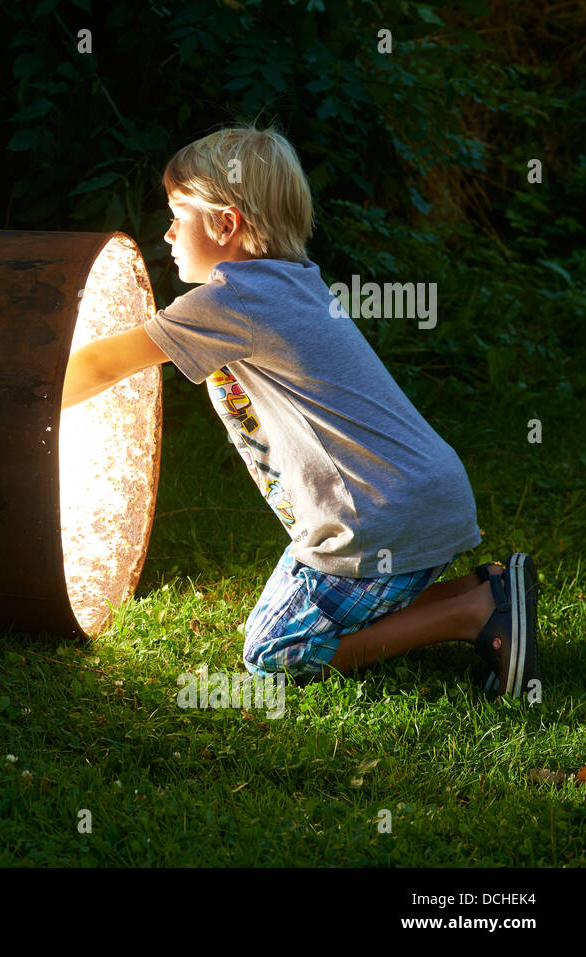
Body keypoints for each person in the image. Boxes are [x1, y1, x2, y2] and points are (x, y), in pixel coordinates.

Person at [61, 124, 540, 698]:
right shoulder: (295, 281)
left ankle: (473, 613)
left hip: (376, 519)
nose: (166, 233)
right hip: (418, 501)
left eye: (177, 214)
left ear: (225, 223)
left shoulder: (232, 299)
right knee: (312, 616)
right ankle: (482, 591)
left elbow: (101, 366)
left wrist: (24, 398)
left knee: (274, 653)